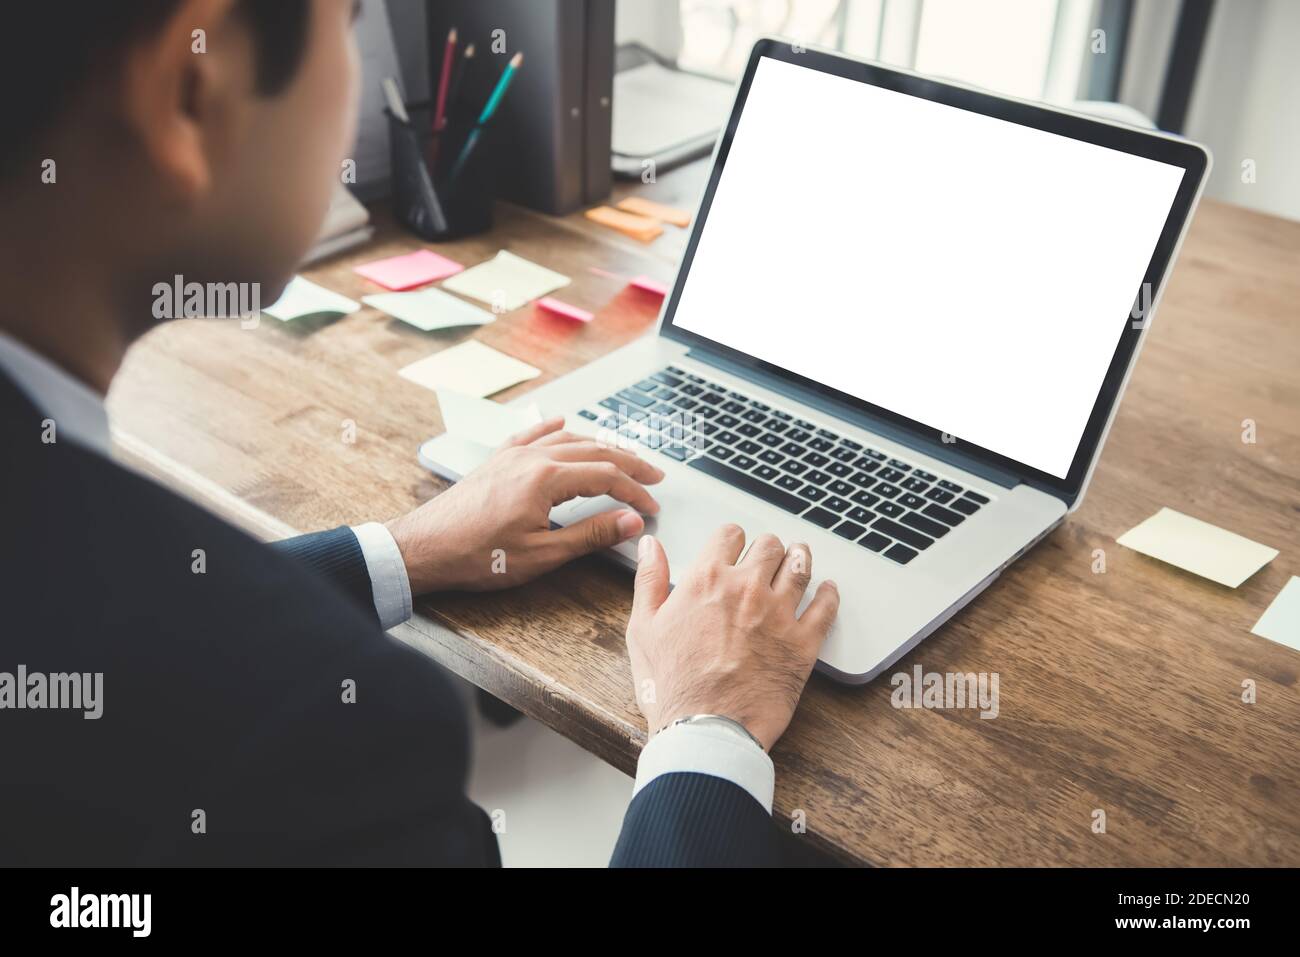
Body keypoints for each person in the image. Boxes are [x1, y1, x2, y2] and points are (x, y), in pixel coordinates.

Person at [0, 0, 838, 867]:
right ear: (190, 87)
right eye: (351, 23)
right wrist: (707, 732)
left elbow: (137, 640)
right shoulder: (329, 738)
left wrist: (402, 551)